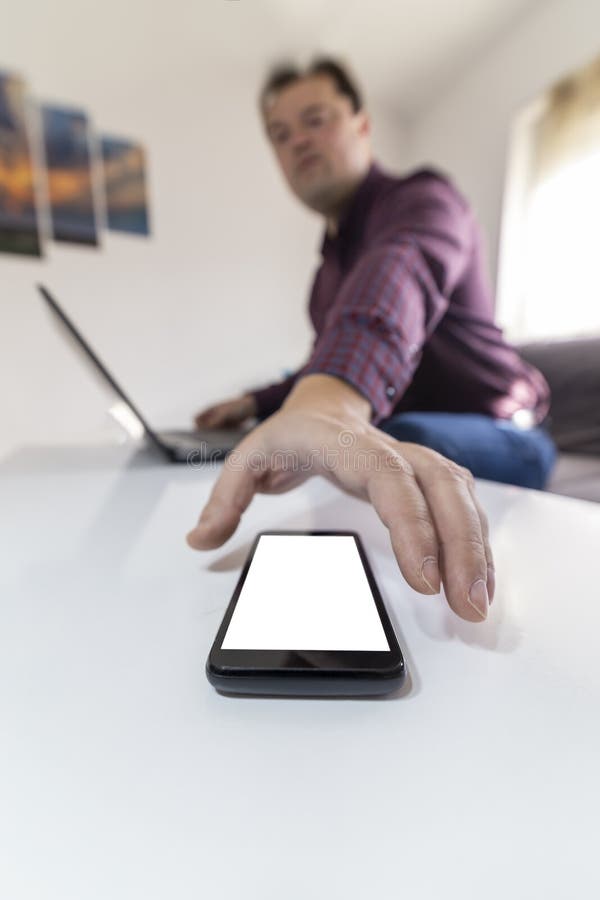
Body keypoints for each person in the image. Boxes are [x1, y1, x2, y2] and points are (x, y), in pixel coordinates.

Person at [187, 58, 554, 622]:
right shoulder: (324, 277)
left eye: (315, 119)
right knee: (376, 443)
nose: (298, 142)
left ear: (362, 125)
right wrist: (253, 404)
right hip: (411, 429)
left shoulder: (424, 201)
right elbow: (324, 356)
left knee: (391, 437)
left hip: (509, 430)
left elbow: (394, 278)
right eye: (280, 136)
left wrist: (326, 407)